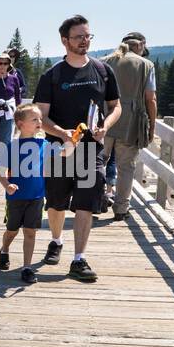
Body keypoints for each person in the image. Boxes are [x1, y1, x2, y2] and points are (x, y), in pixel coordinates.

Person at [34, 14, 122, 283]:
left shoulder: (103, 71)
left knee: (86, 203)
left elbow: (115, 106)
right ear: (65, 41)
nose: (84, 41)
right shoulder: (52, 76)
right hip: (59, 150)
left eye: (87, 36)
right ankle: (57, 240)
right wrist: (62, 133)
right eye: (78, 37)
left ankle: (78, 259)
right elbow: (41, 116)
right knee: (57, 203)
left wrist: (106, 126)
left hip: (91, 150)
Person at [0, 104, 75, 283]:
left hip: (36, 197)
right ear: (20, 124)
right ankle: (4, 250)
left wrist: (72, 140)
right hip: (15, 198)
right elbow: (1, 174)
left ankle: (27, 268)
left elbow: (66, 153)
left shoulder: (44, 144)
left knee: (30, 233)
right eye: (34, 119)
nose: (40, 122)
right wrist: (7, 185)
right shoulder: (11, 147)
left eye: (40, 119)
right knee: (11, 231)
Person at [102, 32, 157, 220]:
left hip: (105, 119)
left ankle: (93, 202)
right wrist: (151, 127)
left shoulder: (105, 61)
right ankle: (121, 209)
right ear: (141, 45)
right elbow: (151, 99)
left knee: (97, 162)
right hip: (131, 122)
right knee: (126, 167)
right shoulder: (146, 65)